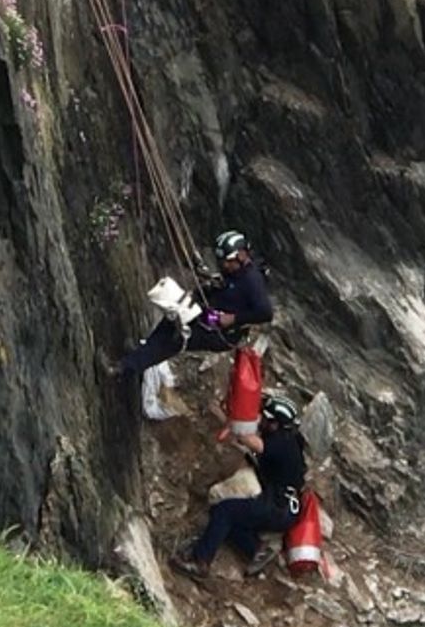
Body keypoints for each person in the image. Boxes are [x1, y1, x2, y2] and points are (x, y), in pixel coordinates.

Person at [169, 394, 306, 580]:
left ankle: (200, 561)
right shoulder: (291, 438)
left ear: (275, 424)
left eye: (265, 418)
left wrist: (235, 424)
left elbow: (255, 444)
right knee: (233, 518)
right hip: (286, 507)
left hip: (277, 507)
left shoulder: (281, 443)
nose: (261, 421)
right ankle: (256, 549)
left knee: (224, 511)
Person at [114, 230, 272, 378]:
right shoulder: (234, 272)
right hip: (209, 317)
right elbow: (227, 287)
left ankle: (124, 369)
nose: (224, 265)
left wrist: (233, 318)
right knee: (170, 322)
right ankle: (141, 354)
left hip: (221, 333)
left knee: (174, 339)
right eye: (222, 262)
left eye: (228, 261)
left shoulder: (252, 281)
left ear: (242, 256)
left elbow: (265, 312)